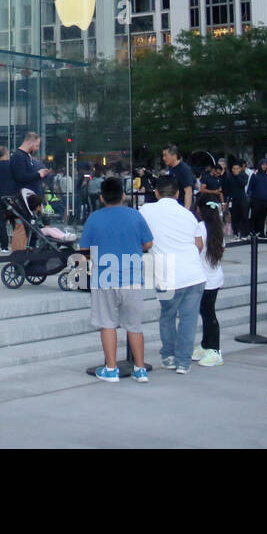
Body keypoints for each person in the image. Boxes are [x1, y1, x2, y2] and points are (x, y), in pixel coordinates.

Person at [79, 177, 153, 382]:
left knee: (107, 324)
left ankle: (111, 369)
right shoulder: (135, 215)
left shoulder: (94, 218)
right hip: (133, 277)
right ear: (123, 195)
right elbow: (148, 243)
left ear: (102, 197)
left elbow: (84, 249)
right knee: (134, 326)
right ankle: (140, 369)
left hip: (104, 278)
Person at [139, 174, 206, 374]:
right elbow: (199, 244)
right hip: (194, 274)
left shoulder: (146, 210)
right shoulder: (188, 214)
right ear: (177, 194)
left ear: (156, 193)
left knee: (167, 316)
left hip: (166, 274)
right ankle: (183, 362)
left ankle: (168, 356)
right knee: (189, 319)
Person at [193, 195, 225, 367]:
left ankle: (215, 350)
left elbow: (196, 248)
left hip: (205, 278)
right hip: (215, 276)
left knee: (208, 313)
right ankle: (206, 344)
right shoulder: (218, 227)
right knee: (207, 312)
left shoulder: (199, 227)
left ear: (200, 209)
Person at [0, 145, 15, 252]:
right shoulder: (12, 165)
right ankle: (18, 244)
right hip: (11, 198)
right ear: (7, 153)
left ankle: (4, 246)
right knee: (15, 221)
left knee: (1, 223)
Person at [161, 145, 195, 211]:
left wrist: (186, 210)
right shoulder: (171, 168)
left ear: (174, 155)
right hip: (175, 205)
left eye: (165, 155)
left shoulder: (184, 169)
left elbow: (188, 192)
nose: (163, 158)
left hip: (183, 206)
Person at [222, 159, 249, 239]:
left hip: (242, 198)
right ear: (232, 169)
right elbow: (226, 190)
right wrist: (225, 201)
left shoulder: (244, 175)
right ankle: (236, 233)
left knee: (244, 216)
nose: (235, 170)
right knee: (234, 217)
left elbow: (243, 184)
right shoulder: (229, 177)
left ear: (240, 169)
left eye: (237, 168)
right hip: (233, 199)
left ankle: (244, 233)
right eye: (234, 168)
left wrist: (237, 176)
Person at [248, 159, 267, 237]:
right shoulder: (254, 175)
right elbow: (250, 187)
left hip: (266, 200)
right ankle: (252, 231)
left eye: (266, 165)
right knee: (254, 215)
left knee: (262, 217)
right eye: (263, 164)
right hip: (256, 199)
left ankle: (261, 232)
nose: (264, 166)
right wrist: (251, 197)